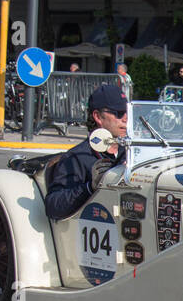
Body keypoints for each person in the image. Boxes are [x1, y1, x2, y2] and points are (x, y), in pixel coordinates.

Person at [44, 83, 128, 222]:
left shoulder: (128, 152)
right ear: (98, 116)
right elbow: (53, 206)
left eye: (127, 112)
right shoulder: (77, 157)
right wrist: (90, 186)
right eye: (118, 113)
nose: (125, 118)